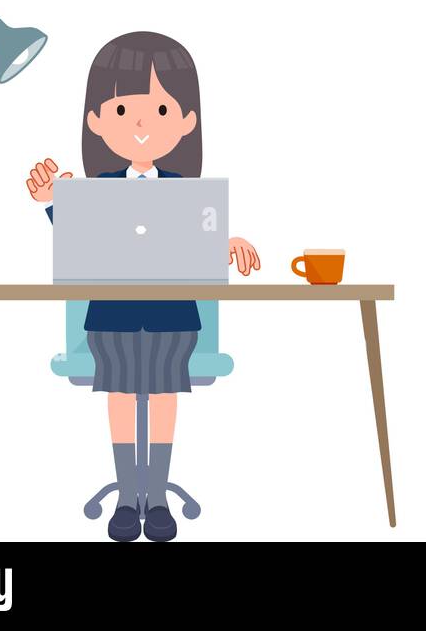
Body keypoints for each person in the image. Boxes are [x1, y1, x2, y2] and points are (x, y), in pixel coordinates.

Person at [26, 32, 261, 542]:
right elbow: (77, 241)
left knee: (160, 394)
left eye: (158, 109)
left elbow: (202, 240)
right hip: (110, 318)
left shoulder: (185, 192)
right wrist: (54, 203)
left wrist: (228, 241)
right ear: (95, 121)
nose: (139, 123)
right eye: (121, 109)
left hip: (173, 318)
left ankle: (154, 497)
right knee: (120, 392)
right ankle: (126, 494)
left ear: (186, 122)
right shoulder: (95, 192)